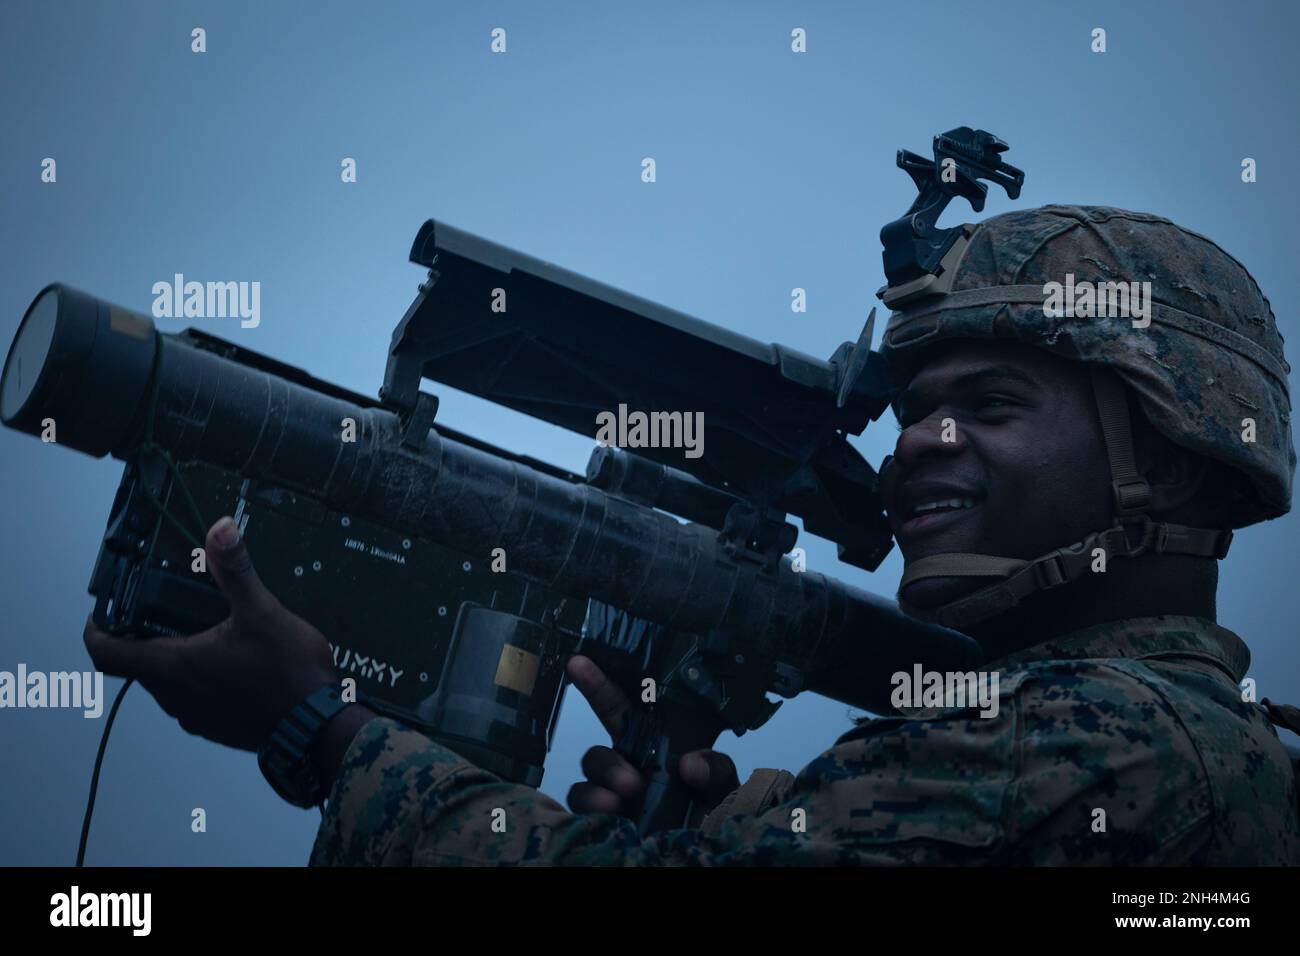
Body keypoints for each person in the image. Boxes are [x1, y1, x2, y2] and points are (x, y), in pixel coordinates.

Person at [84, 205, 1300, 865]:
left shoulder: (1097, 742)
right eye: (912, 411)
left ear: (1178, 463)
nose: (917, 447)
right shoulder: (1206, 742)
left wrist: (323, 731)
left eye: (986, 406)